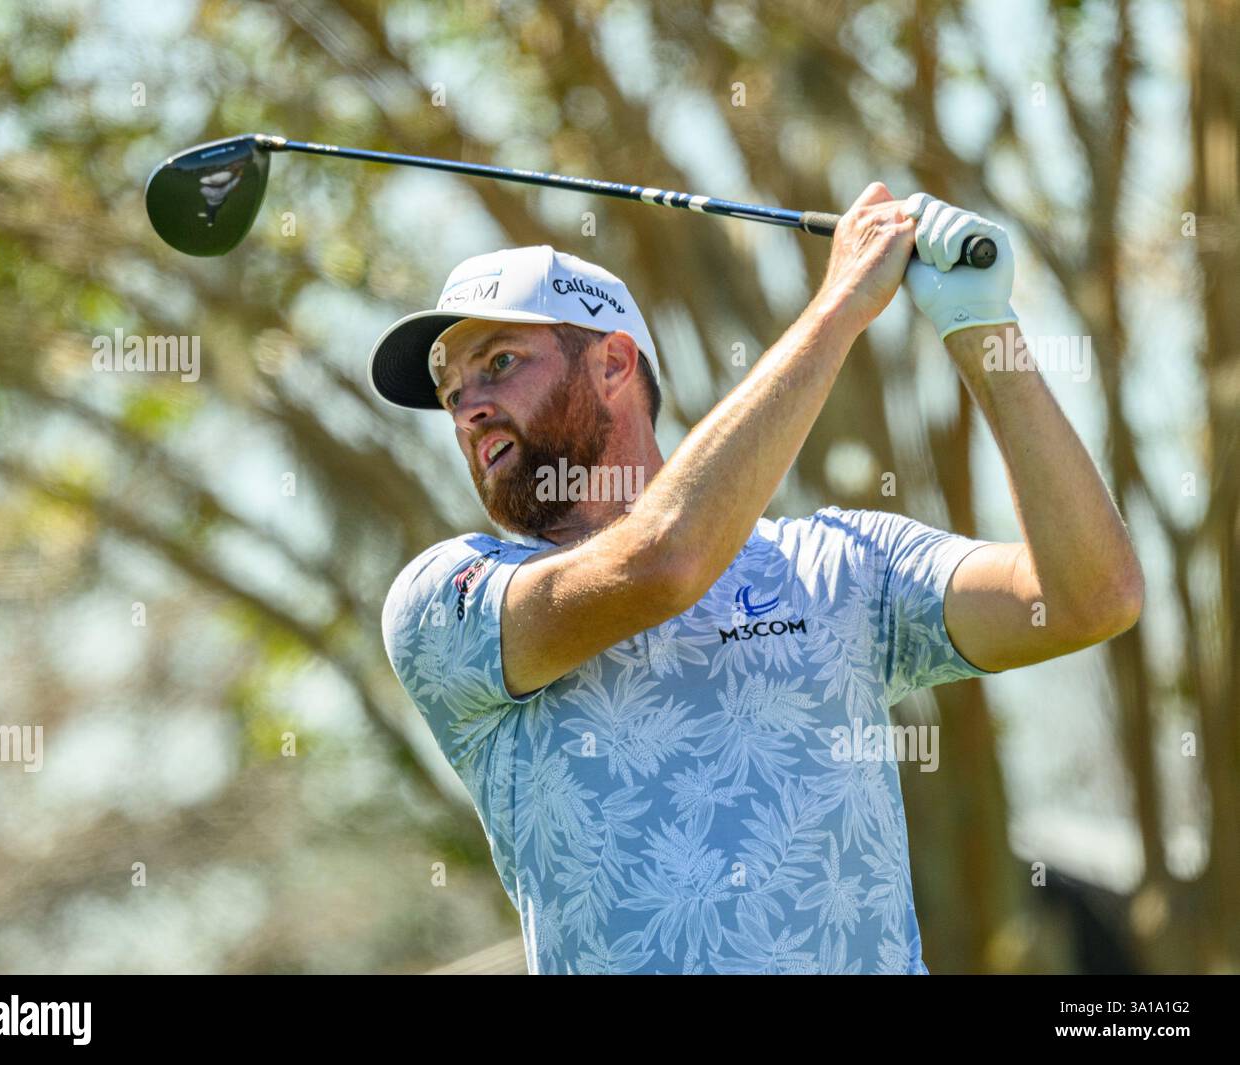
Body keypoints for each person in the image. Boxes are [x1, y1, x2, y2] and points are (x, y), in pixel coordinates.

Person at [369, 184, 1144, 975]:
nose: (470, 409)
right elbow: (663, 562)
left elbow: (1088, 597)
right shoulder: (449, 599)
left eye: (500, 363)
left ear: (612, 363)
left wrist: (984, 332)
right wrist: (841, 305)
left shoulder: (837, 562)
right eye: (454, 391)